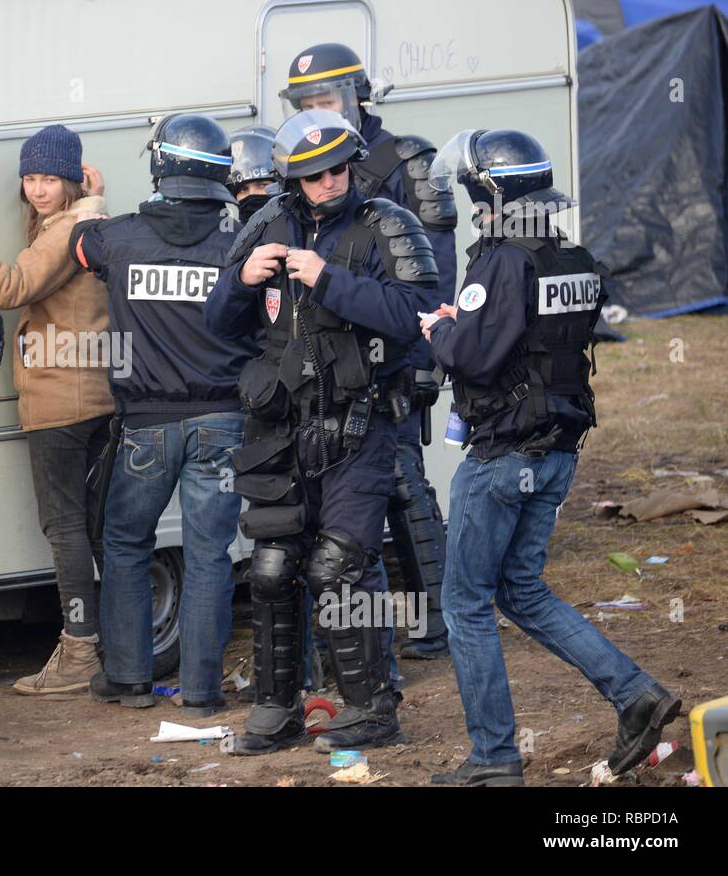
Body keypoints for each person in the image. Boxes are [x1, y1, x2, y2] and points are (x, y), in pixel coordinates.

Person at [423, 128, 680, 785]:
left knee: (465, 602)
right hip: (557, 450)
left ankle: (492, 758)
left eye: (473, 194)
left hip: (504, 455)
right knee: (523, 589)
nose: (472, 206)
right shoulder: (571, 253)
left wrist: (443, 328)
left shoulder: (503, 259)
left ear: (491, 190)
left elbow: (474, 354)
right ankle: (636, 694)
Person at [206, 109, 437, 754]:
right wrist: (240, 281)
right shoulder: (264, 223)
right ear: (292, 177)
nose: (329, 182)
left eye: (338, 169)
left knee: (339, 566)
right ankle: (275, 711)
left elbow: (418, 316)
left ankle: (371, 708)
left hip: (361, 427)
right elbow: (219, 324)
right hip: (281, 424)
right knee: (274, 566)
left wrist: (329, 279)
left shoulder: (389, 223)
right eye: (313, 175)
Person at [68, 113, 256, 718]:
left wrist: (92, 197)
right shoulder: (240, 246)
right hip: (224, 424)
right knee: (208, 555)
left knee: (125, 542)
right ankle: (201, 693)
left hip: (145, 425)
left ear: (161, 167)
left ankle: (128, 681)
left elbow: (79, 241)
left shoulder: (118, 239)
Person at [282, 41, 457, 658]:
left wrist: (432, 357)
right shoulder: (304, 171)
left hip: (398, 351)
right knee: (349, 516)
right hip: (331, 362)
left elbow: (436, 271)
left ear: (358, 96)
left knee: (405, 487)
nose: (318, 111)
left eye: (326, 99)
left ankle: (438, 622)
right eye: (306, 103)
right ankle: (371, 636)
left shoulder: (406, 161)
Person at [0, 125, 115, 694]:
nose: (39, 190)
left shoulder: (64, 232)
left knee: (63, 525)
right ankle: (111, 641)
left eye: (50, 178)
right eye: (31, 178)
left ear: (70, 179)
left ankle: (79, 654)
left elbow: (10, 288)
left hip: (59, 399)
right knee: (92, 526)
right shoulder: (87, 222)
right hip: (96, 394)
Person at [227, 126, 280, 226]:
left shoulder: (303, 233)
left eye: (262, 185)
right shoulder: (231, 237)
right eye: (243, 189)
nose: (252, 194)